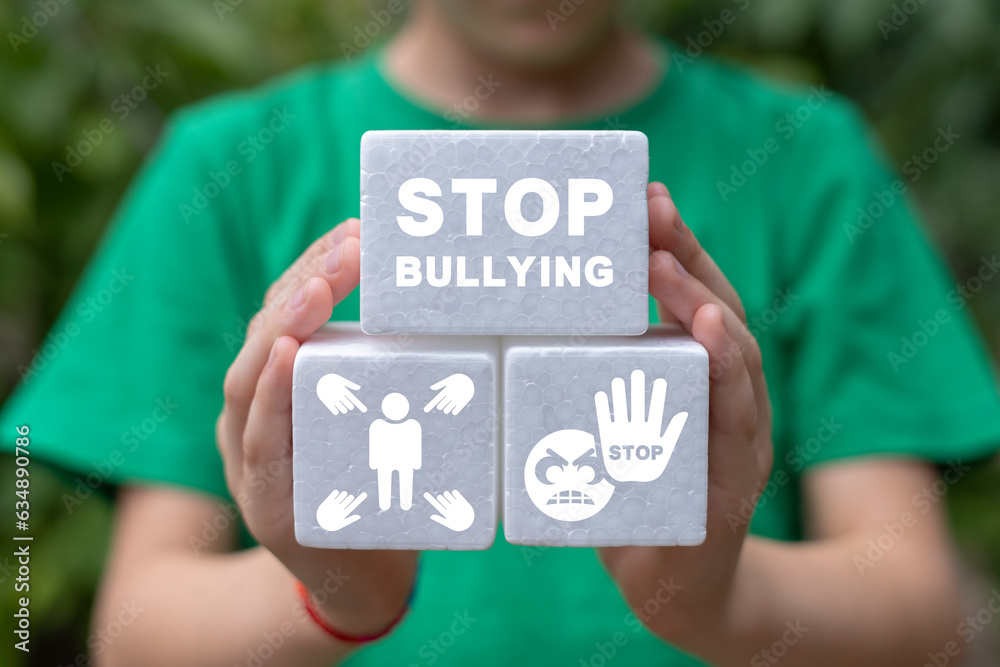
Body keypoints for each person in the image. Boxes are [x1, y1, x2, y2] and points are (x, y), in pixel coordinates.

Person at [4, 1, 1000, 665]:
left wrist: (709, 596)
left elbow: (919, 609)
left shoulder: (803, 160)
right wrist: (334, 590)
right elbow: (138, 632)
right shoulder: (226, 167)